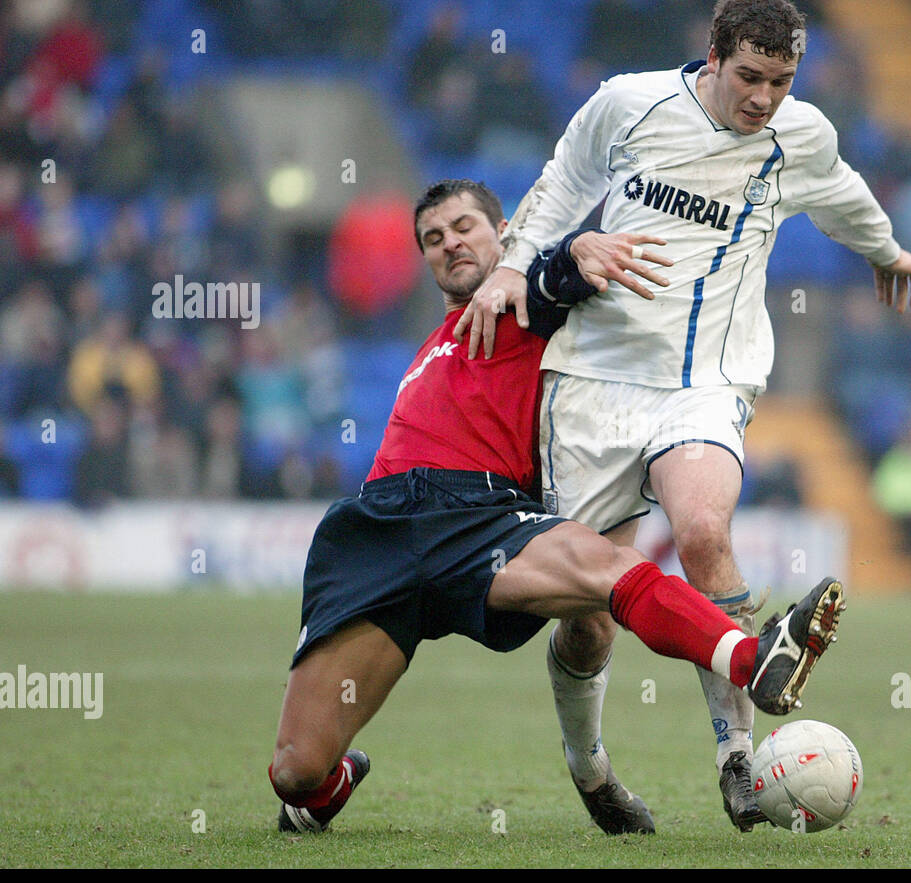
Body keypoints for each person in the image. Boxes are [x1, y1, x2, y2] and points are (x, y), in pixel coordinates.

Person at [456, 0, 911, 831]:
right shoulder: (627, 104)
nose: (762, 99)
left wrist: (884, 247)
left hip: (706, 384)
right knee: (588, 623)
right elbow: (560, 185)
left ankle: (739, 765)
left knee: (704, 533)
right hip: (592, 384)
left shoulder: (800, 135)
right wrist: (508, 269)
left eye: (780, 82)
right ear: (711, 57)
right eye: (749, 77)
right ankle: (591, 766)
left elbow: (843, 193)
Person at [269, 179, 845, 835]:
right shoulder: (439, 338)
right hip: (377, 530)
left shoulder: (523, 301)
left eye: (464, 227)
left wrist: (579, 249)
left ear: (504, 231)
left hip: (478, 516)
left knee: (608, 572)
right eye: (433, 238)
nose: (450, 243)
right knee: (296, 769)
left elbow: (559, 275)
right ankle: (328, 786)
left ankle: (755, 660)